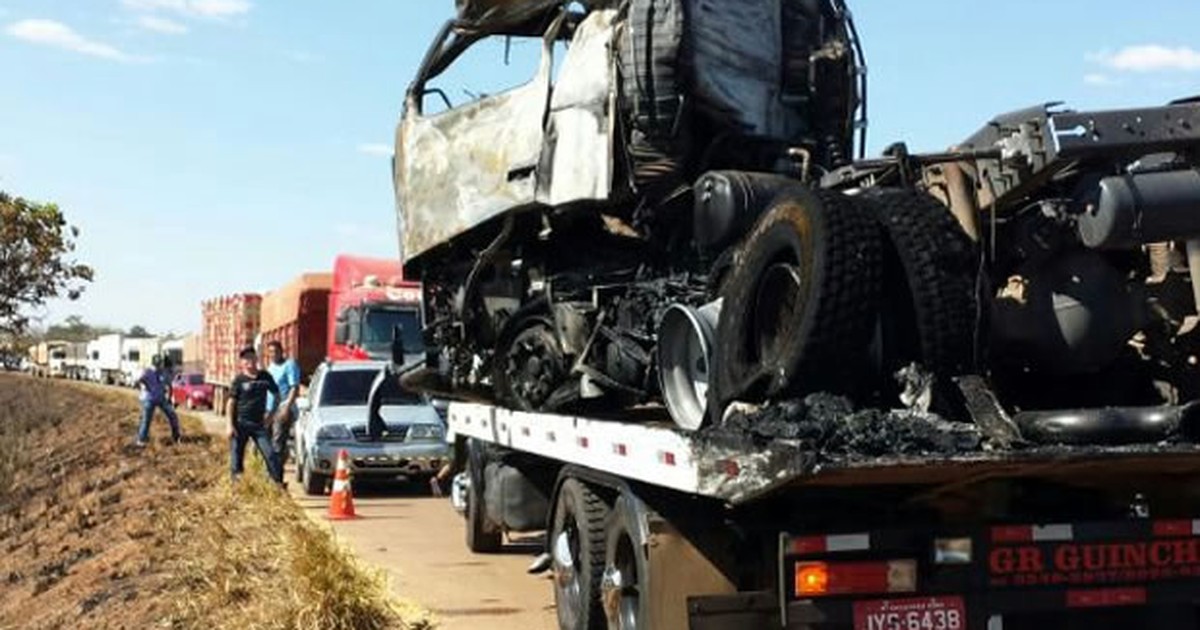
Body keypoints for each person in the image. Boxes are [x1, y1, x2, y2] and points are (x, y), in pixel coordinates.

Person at [227, 346, 283, 484]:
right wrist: (229, 425)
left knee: (270, 454)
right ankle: (237, 485)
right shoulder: (239, 380)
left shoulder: (265, 376)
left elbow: (277, 395)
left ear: (257, 359)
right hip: (240, 424)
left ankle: (277, 484)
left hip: (259, 424)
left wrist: (271, 415)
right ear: (242, 363)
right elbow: (230, 403)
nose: (250, 361)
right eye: (246, 359)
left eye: (252, 357)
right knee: (237, 456)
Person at [264, 341, 301, 469]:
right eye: (270, 352)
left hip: (283, 407)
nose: (273, 354)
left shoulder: (289, 365)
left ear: (281, 351)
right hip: (270, 409)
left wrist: (287, 407)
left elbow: (294, 388)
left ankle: (277, 473)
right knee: (266, 440)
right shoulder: (270, 367)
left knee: (277, 440)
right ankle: (269, 468)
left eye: (275, 351)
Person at [135, 354, 182, 446]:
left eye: (161, 364)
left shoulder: (163, 373)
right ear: (154, 363)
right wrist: (145, 387)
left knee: (172, 415)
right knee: (146, 419)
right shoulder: (148, 372)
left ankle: (176, 437)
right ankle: (141, 440)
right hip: (149, 399)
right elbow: (139, 381)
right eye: (158, 364)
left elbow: (170, 385)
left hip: (161, 398)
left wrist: (170, 398)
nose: (160, 366)